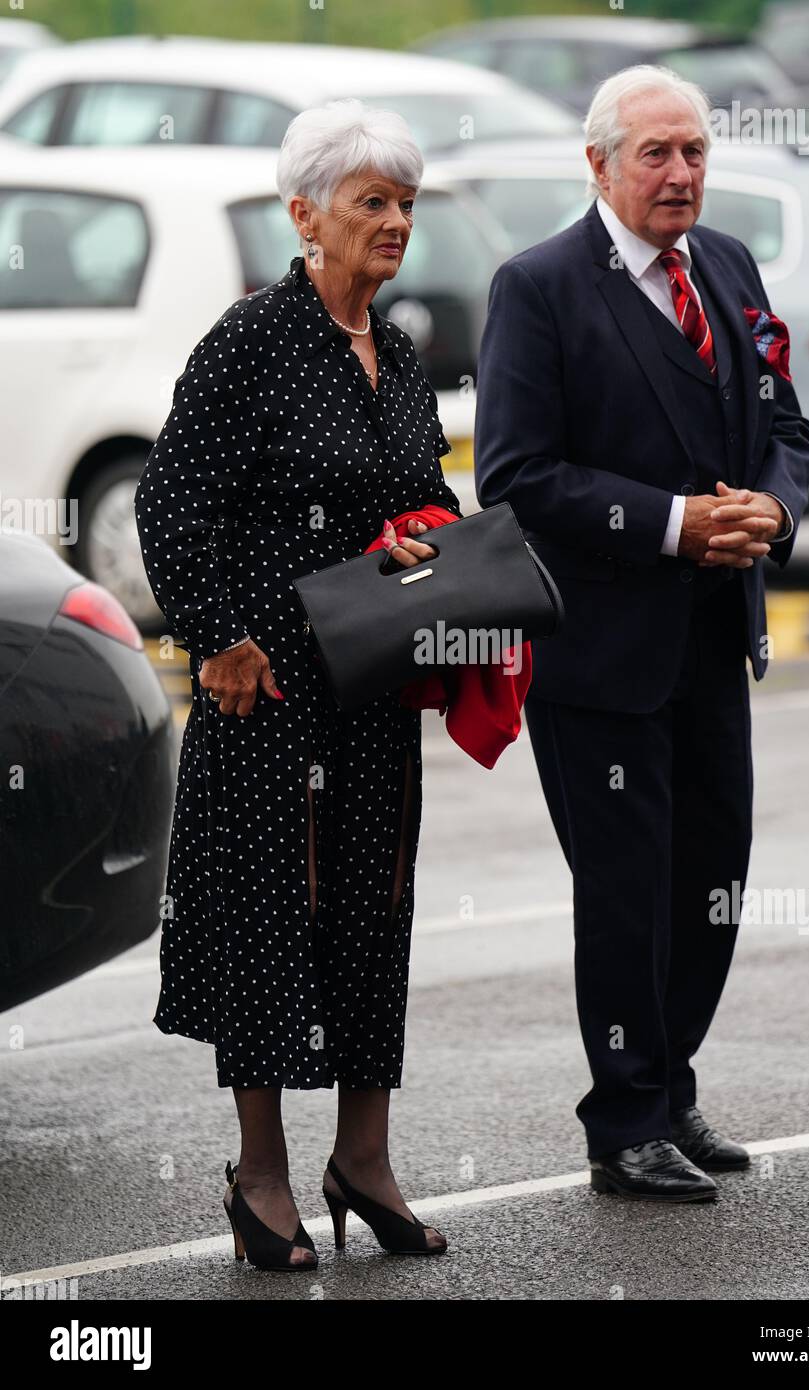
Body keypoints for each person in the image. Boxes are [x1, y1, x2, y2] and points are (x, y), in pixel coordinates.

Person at [474, 65, 809, 1202]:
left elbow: (786, 422)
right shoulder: (537, 288)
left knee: (713, 877)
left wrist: (774, 507)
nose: (680, 175)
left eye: (695, 153)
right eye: (655, 154)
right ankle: (624, 1120)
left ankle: (668, 1088)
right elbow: (514, 477)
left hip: (716, 643)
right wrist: (673, 524)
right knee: (626, 891)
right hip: (600, 656)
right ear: (598, 163)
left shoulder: (724, 266)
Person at [134, 99, 462, 1266]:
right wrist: (215, 638)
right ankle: (262, 1176)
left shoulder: (402, 349)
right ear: (304, 215)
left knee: (375, 914)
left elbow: (421, 495)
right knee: (272, 921)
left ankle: (361, 1160)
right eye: (371, 201)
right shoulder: (251, 340)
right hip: (264, 689)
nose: (394, 222)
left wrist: (434, 539)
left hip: (372, 687)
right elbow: (169, 502)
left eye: (406, 203)